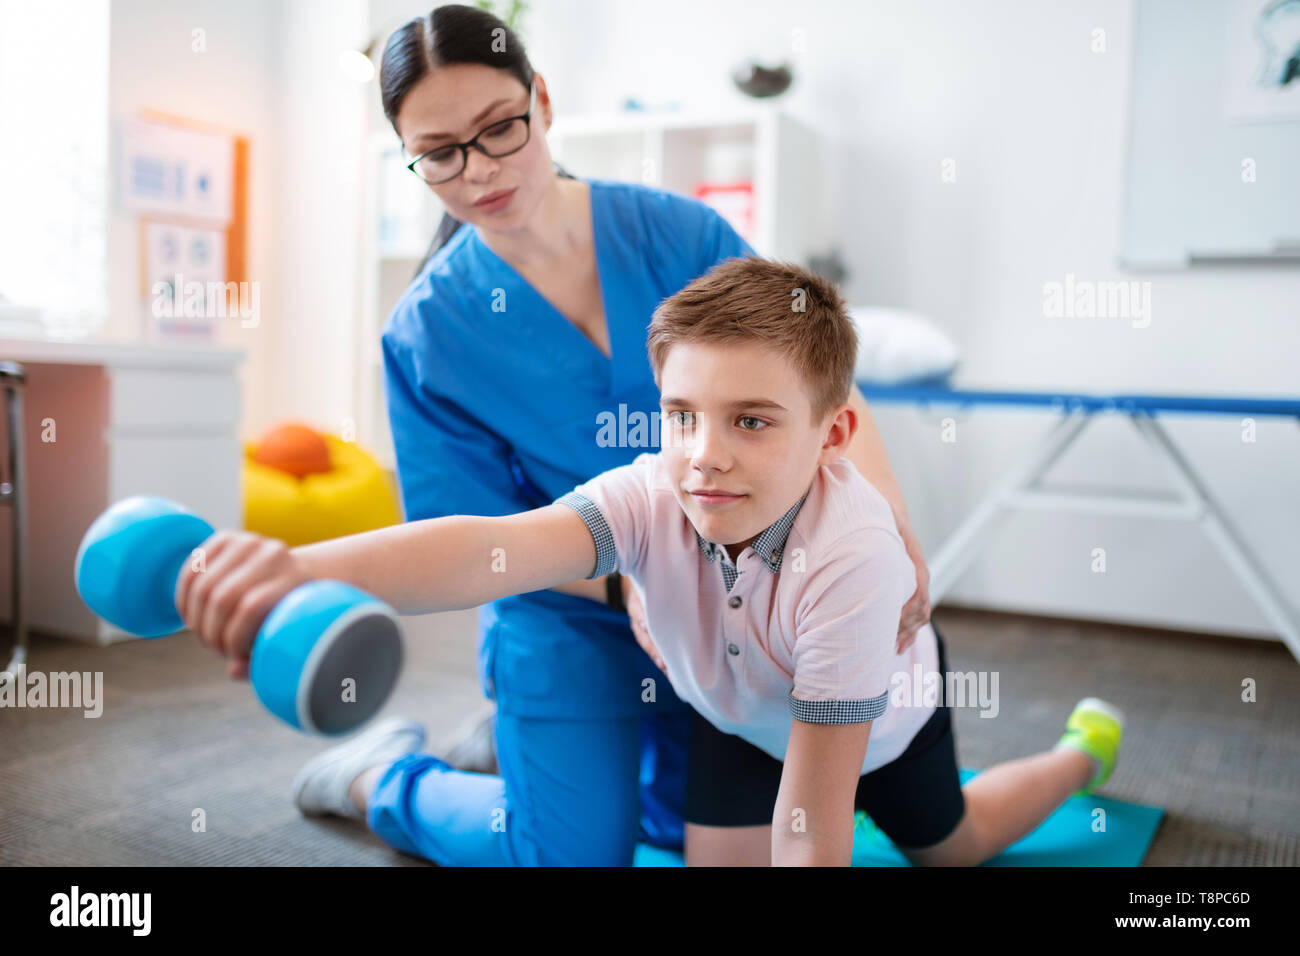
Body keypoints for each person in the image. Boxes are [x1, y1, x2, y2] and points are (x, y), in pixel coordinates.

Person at [198, 3, 934, 866]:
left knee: (693, 822)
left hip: (723, 603)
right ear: (412, 158)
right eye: (439, 153)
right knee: (576, 853)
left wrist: (892, 523)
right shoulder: (427, 336)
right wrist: (642, 594)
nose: (477, 172)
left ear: (540, 100)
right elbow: (481, 545)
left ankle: (520, 749)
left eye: (498, 129)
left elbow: (818, 377)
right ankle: (384, 776)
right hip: (567, 612)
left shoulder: (679, 234)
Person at [177, 254, 1124, 866]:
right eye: (683, 416)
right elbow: (489, 548)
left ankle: (1081, 755)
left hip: (873, 727)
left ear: (834, 433)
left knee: (954, 851)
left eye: (751, 421)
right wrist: (292, 569)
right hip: (734, 713)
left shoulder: (854, 561)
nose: (705, 452)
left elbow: (813, 820)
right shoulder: (655, 488)